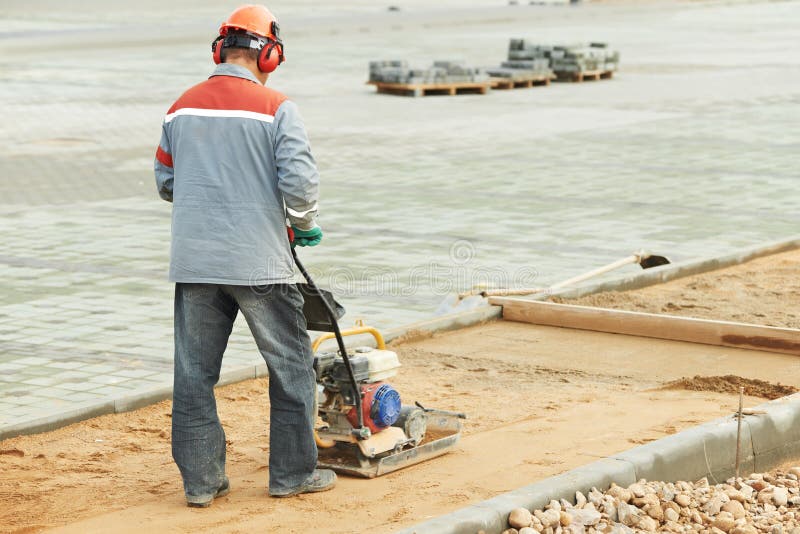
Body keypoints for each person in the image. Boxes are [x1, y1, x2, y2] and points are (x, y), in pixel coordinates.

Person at [153, 4, 335, 508]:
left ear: (220, 49)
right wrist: (304, 225)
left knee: (194, 376)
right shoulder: (278, 108)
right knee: (291, 367)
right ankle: (291, 476)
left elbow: (166, 183)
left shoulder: (180, 108)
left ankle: (201, 484)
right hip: (260, 264)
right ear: (269, 54)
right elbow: (300, 184)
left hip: (194, 263)